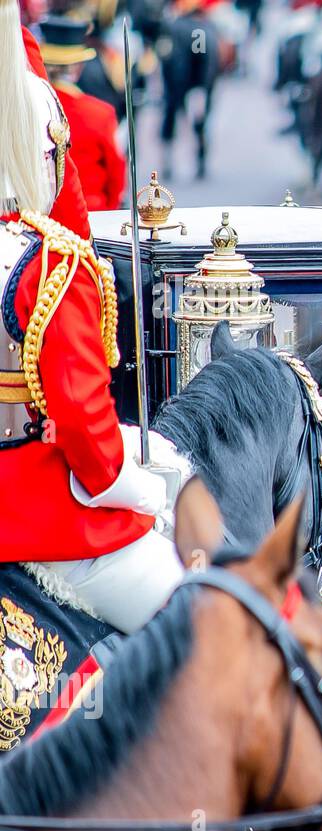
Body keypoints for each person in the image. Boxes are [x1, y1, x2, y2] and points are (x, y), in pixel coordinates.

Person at [0, 0, 180, 633]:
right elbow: (88, 440)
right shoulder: (51, 267)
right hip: (33, 514)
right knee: (194, 620)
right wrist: (146, 493)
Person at [36, 16, 124, 211]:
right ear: (77, 67)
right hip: (91, 214)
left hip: (41, 216)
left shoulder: (30, 109)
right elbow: (116, 177)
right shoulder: (101, 113)